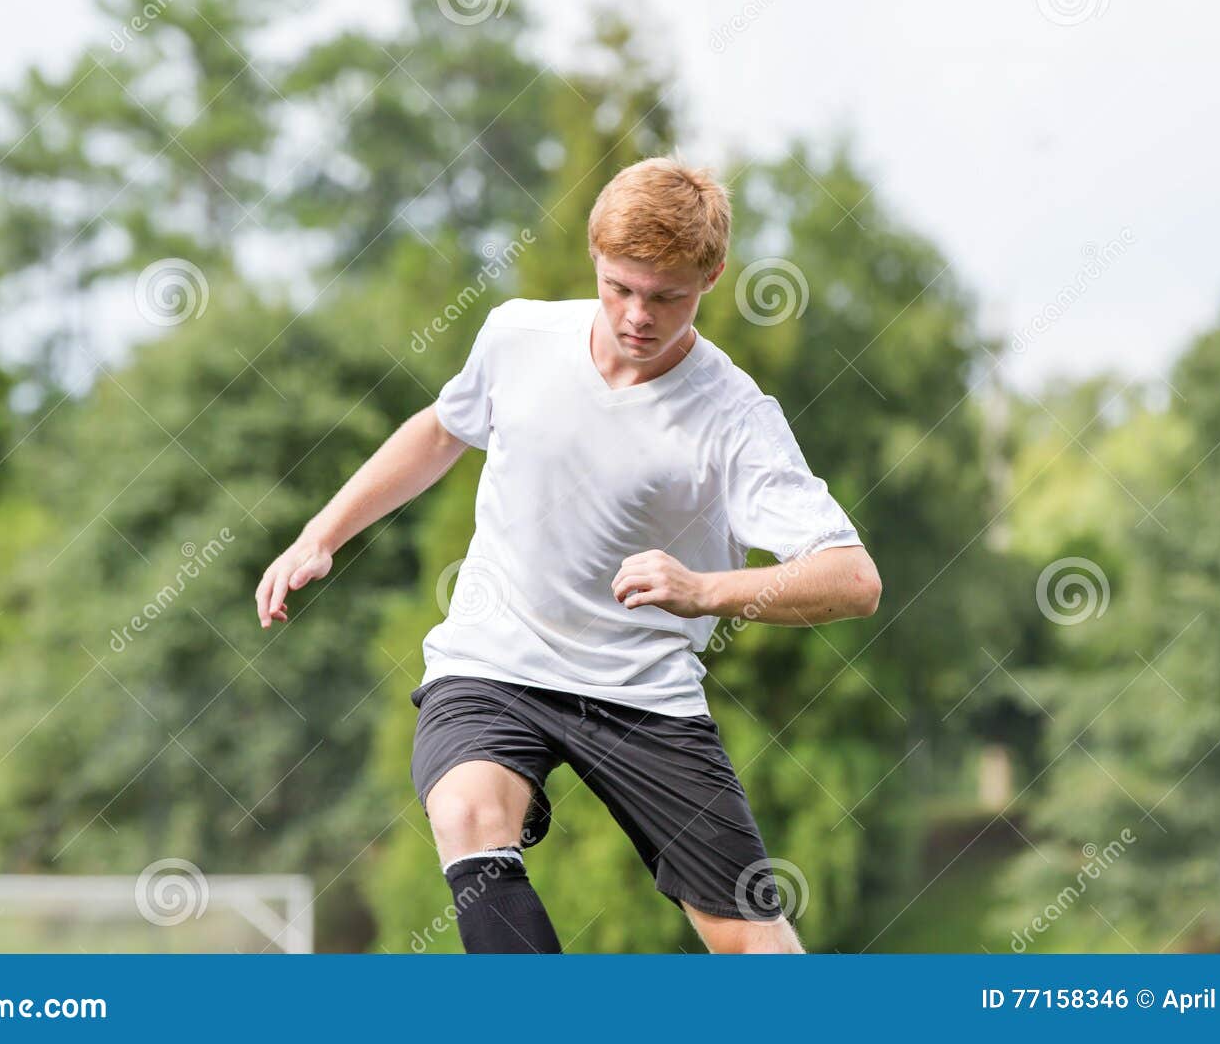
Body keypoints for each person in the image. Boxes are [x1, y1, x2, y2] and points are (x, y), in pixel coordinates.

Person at [254, 157, 882, 953]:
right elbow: (446, 429)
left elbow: (854, 579)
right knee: (468, 814)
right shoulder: (518, 334)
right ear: (595, 256)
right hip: (497, 658)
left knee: (754, 946)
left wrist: (703, 589)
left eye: (666, 297)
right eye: (620, 287)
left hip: (642, 690)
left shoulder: (734, 415)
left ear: (712, 276)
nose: (638, 316)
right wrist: (322, 533)